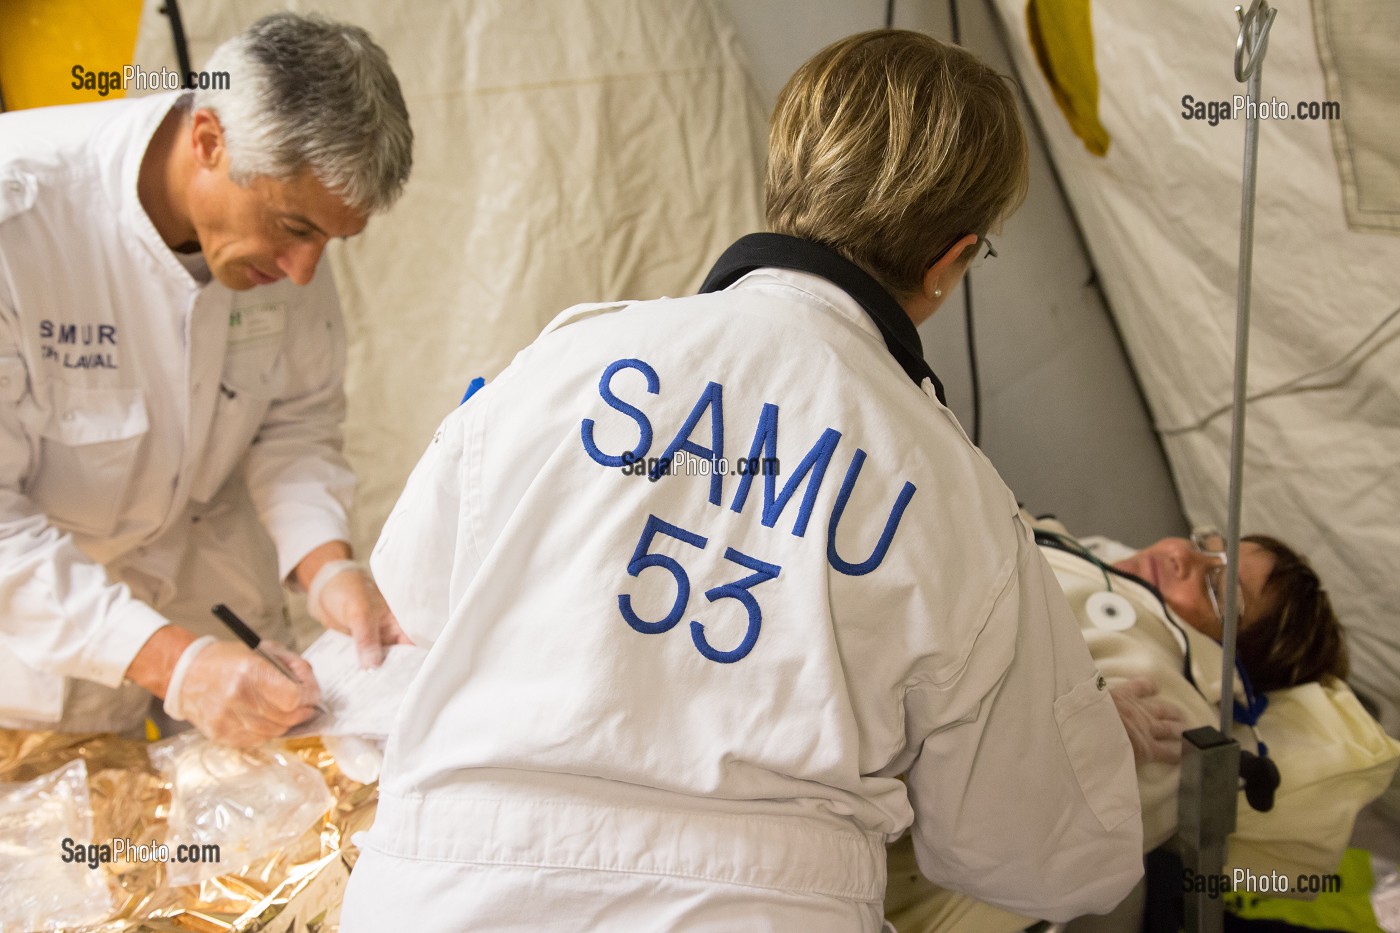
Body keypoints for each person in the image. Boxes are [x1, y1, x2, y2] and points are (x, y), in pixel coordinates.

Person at [342, 30, 1141, 931]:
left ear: (786, 173)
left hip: (443, 891)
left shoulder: (570, 357)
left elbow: (415, 586)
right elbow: (1045, 855)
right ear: (952, 259)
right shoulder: (959, 499)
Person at [0, 13, 413, 746]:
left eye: (330, 240)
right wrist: (177, 663)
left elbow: (294, 418)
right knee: (76, 852)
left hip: (224, 613)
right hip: (44, 655)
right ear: (208, 142)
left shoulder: (283, 231)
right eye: (293, 228)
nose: (305, 271)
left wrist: (328, 570)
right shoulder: (21, 218)